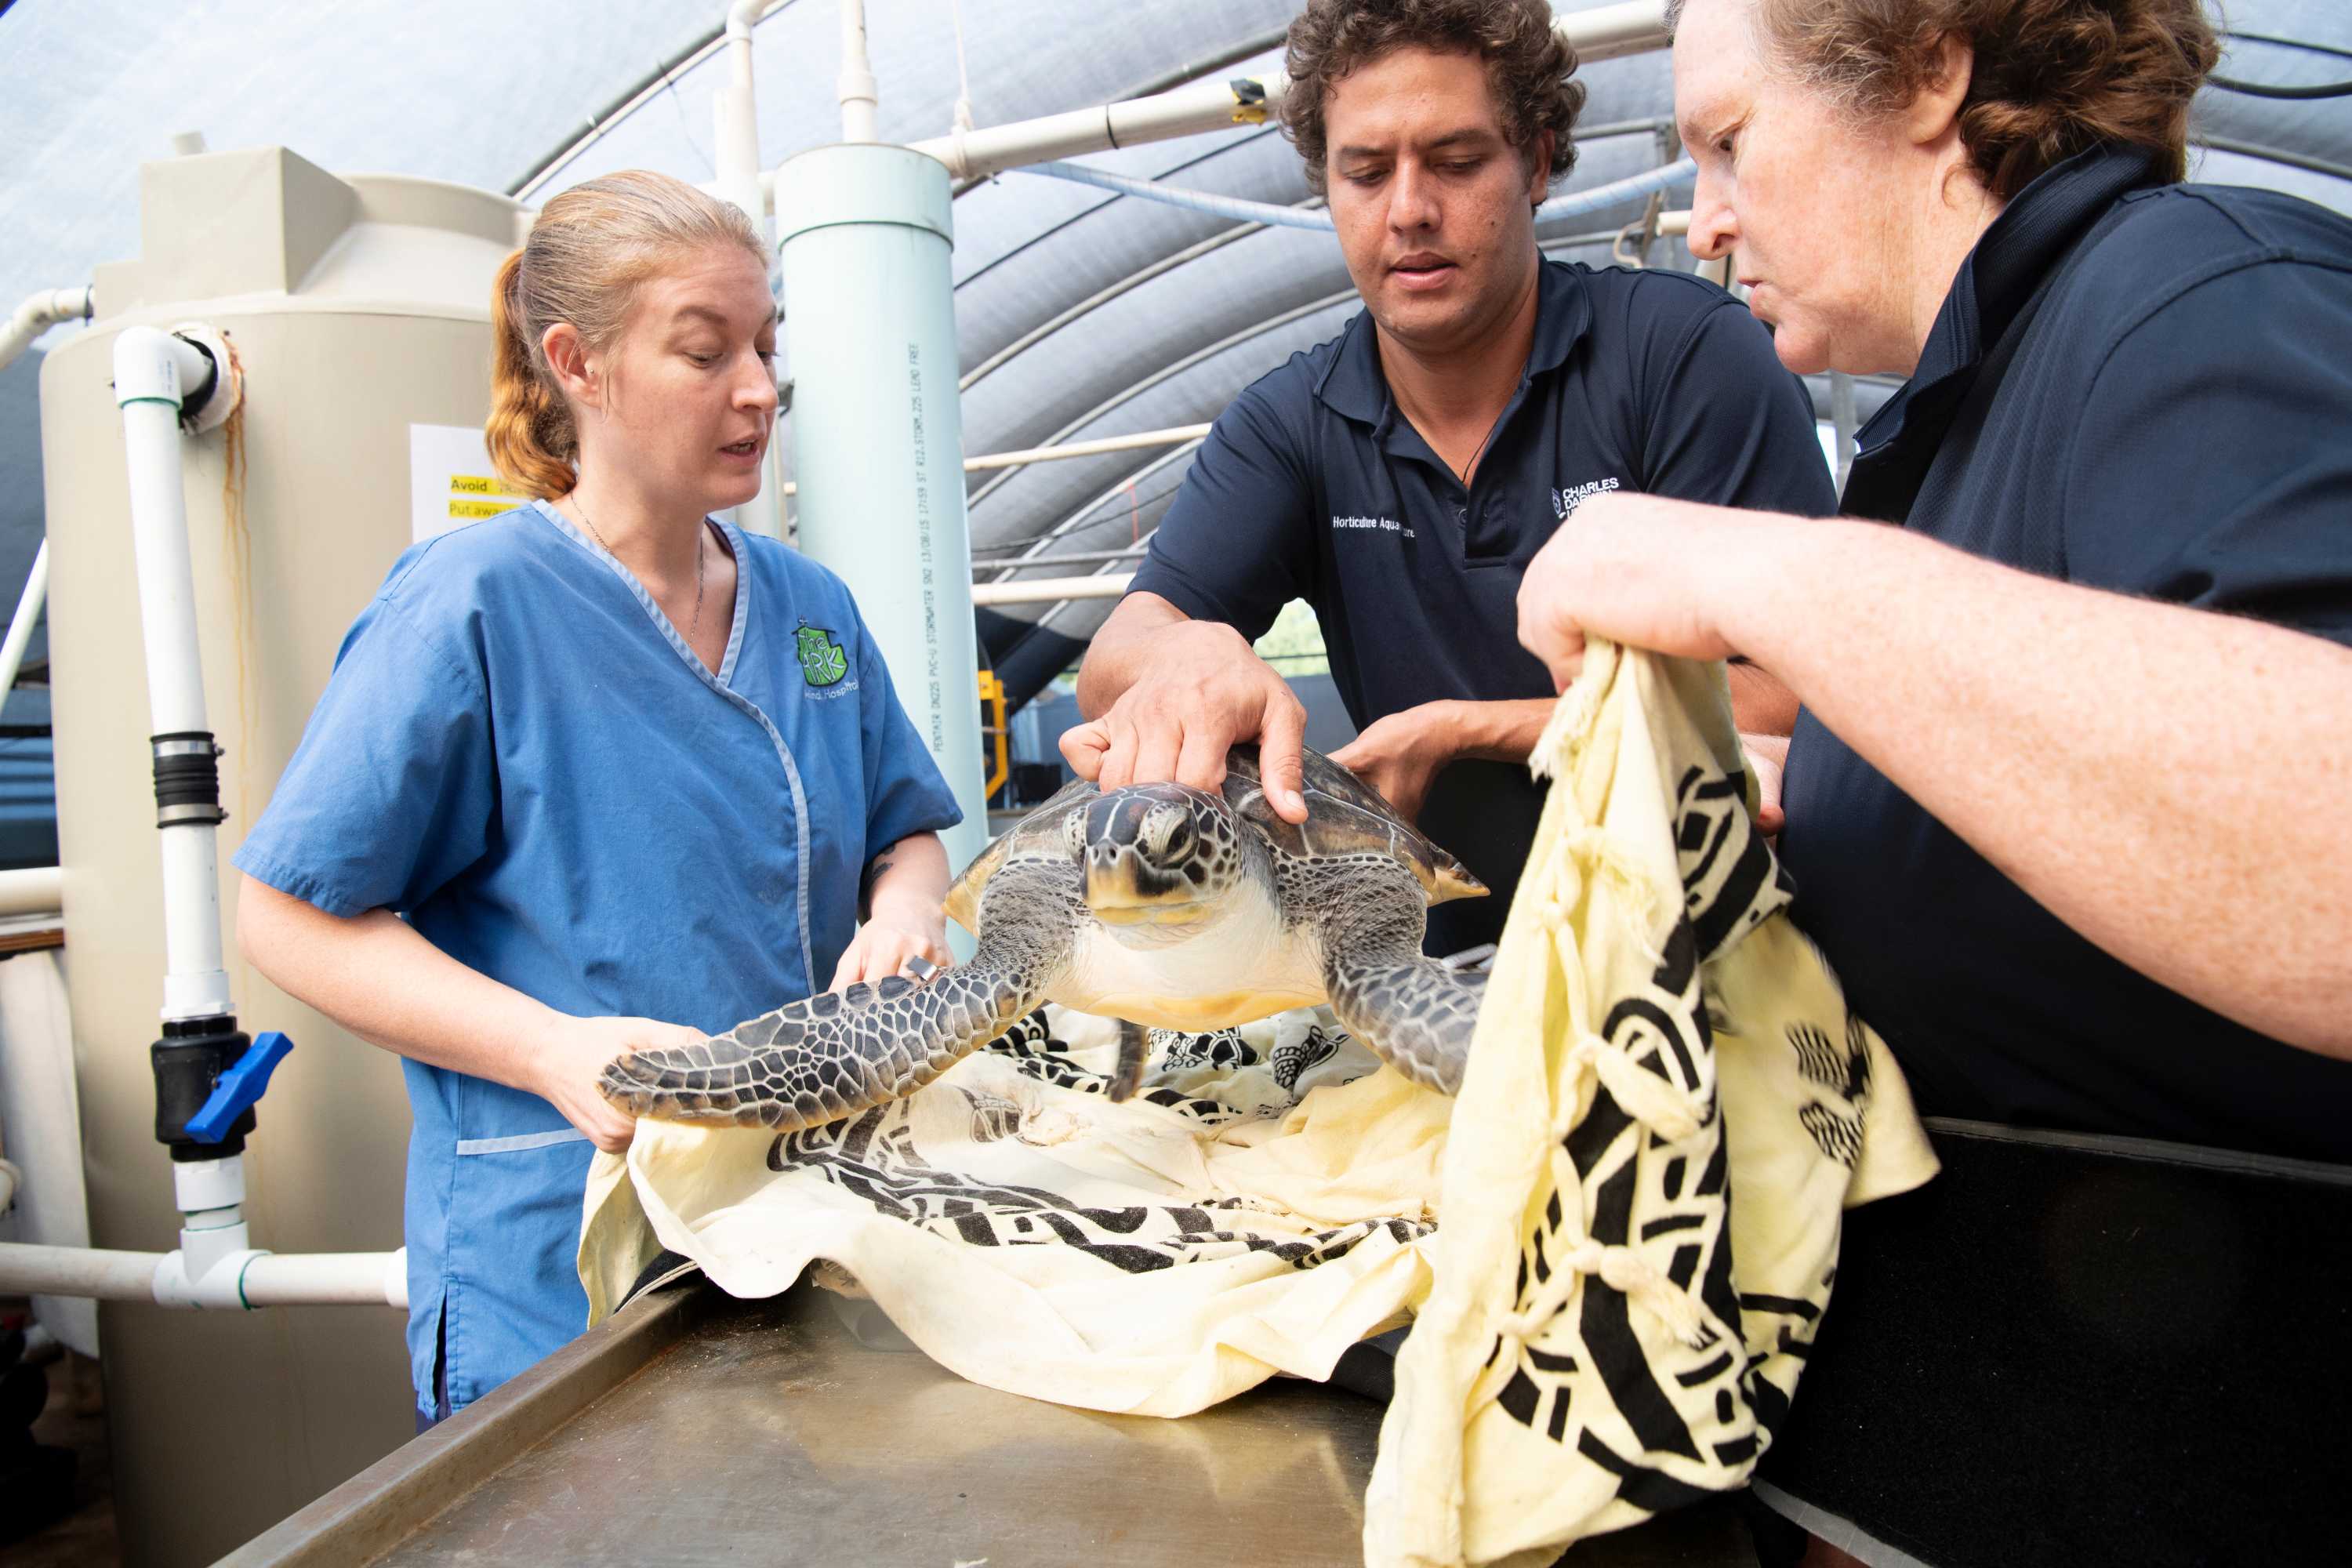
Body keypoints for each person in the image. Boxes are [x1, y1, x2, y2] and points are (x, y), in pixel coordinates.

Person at [1515, 0, 2352, 1161]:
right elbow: (2095, 767)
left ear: (1924, 75)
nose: (1704, 223)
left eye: (1729, 142)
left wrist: (1746, 569)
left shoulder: (2197, 295)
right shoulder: (1967, 416)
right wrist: (1817, 793)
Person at [234, 172, 963, 1425]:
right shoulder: (475, 605)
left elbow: (903, 826)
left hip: (805, 1209)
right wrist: (552, 1049)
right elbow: (287, 915)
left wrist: (905, 912)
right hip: (564, 1241)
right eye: (705, 350)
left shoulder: (811, 608)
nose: (758, 388)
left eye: (767, 346)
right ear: (578, 363)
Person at [1064, 0, 1836, 953]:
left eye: (1458, 161)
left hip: (1708, 969)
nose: (1409, 209)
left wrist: (1465, 728)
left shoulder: (1682, 359)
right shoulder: (1293, 424)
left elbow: (1805, 686)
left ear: (1539, 161)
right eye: (1366, 171)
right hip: (1441, 988)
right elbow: (1117, 654)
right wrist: (1187, 656)